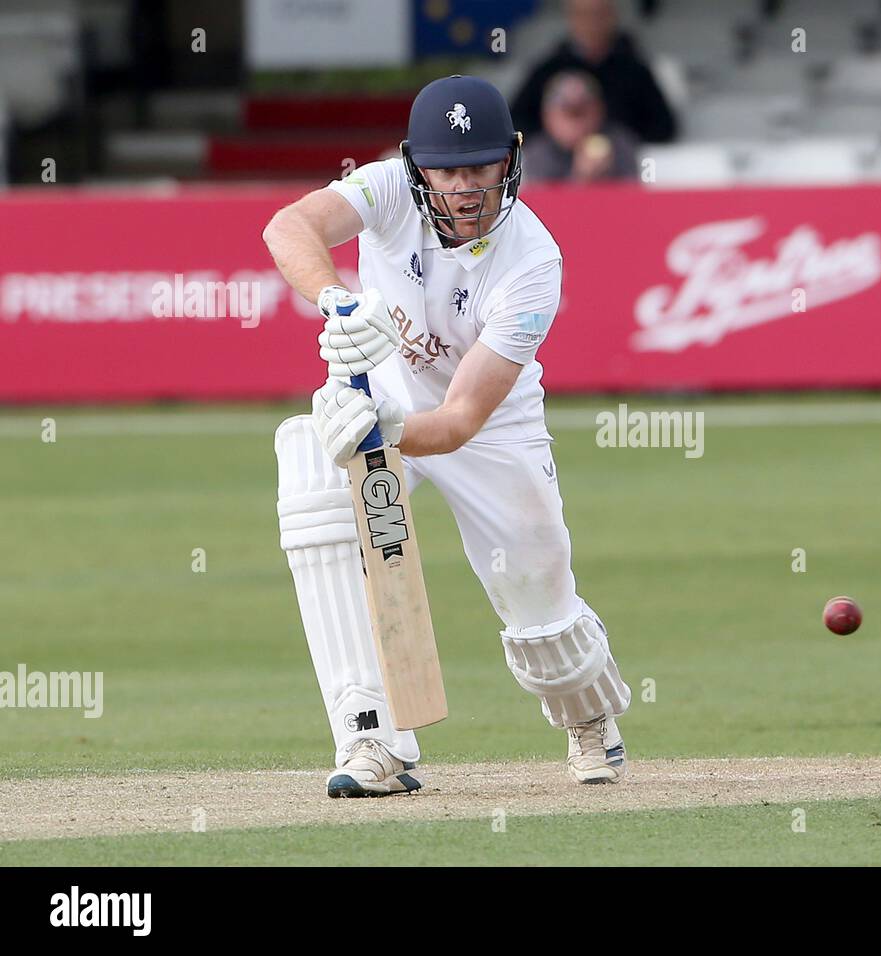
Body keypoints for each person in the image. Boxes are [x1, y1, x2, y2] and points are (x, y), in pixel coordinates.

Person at [262, 75, 630, 797]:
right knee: (312, 472)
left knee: (534, 589)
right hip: (385, 386)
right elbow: (289, 227)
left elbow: (461, 420)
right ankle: (371, 738)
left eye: (482, 166)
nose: (465, 186)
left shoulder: (533, 261)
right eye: (448, 169)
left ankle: (589, 716)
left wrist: (387, 432)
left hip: (491, 427)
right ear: (415, 166)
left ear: (512, 159)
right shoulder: (386, 190)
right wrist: (335, 299)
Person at [511, 0, 676, 144]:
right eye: (583, 14)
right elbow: (516, 123)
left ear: (613, 16)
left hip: (623, 169)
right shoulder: (547, 70)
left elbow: (664, 127)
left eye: (599, 14)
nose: (592, 22)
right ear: (571, 18)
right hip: (557, 169)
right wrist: (557, 137)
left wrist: (616, 140)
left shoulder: (636, 71)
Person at [525, 71, 640, 183]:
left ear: (599, 111)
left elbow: (634, 195)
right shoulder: (538, 152)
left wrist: (606, 175)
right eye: (568, 113)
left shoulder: (619, 143)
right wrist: (580, 177)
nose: (575, 124)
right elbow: (540, 200)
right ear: (548, 115)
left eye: (582, 112)